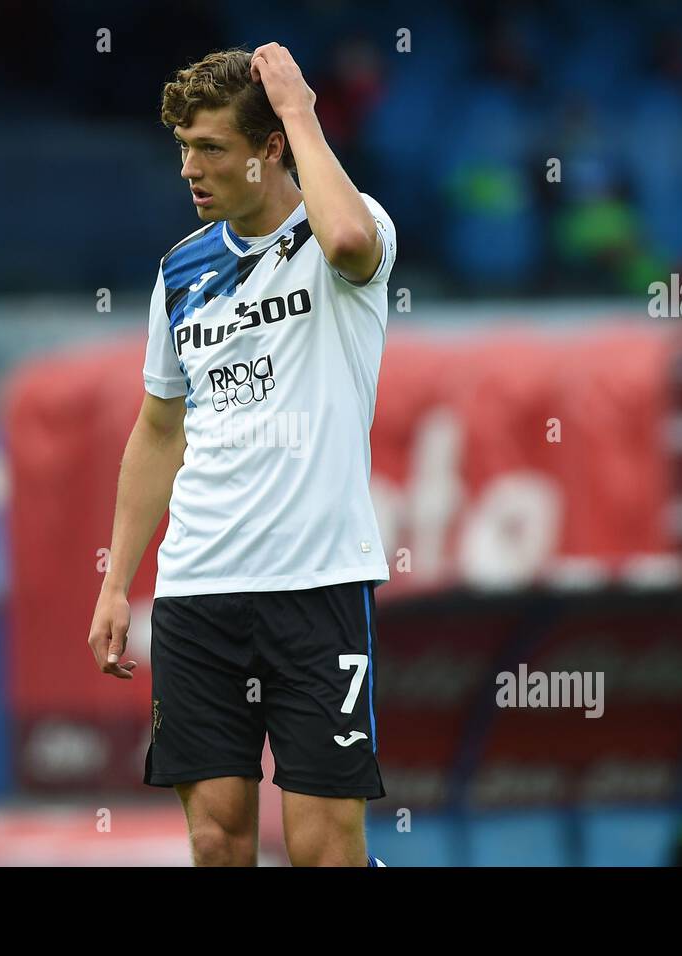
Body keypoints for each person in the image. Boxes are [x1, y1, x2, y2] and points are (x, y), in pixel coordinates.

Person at [86, 43, 396, 867]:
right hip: (198, 591)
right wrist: (118, 582)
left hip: (316, 585)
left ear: (269, 151)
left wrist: (300, 110)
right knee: (218, 839)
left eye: (212, 148)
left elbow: (347, 242)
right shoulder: (180, 271)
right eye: (183, 147)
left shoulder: (347, 232)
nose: (190, 167)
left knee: (323, 847)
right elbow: (158, 429)